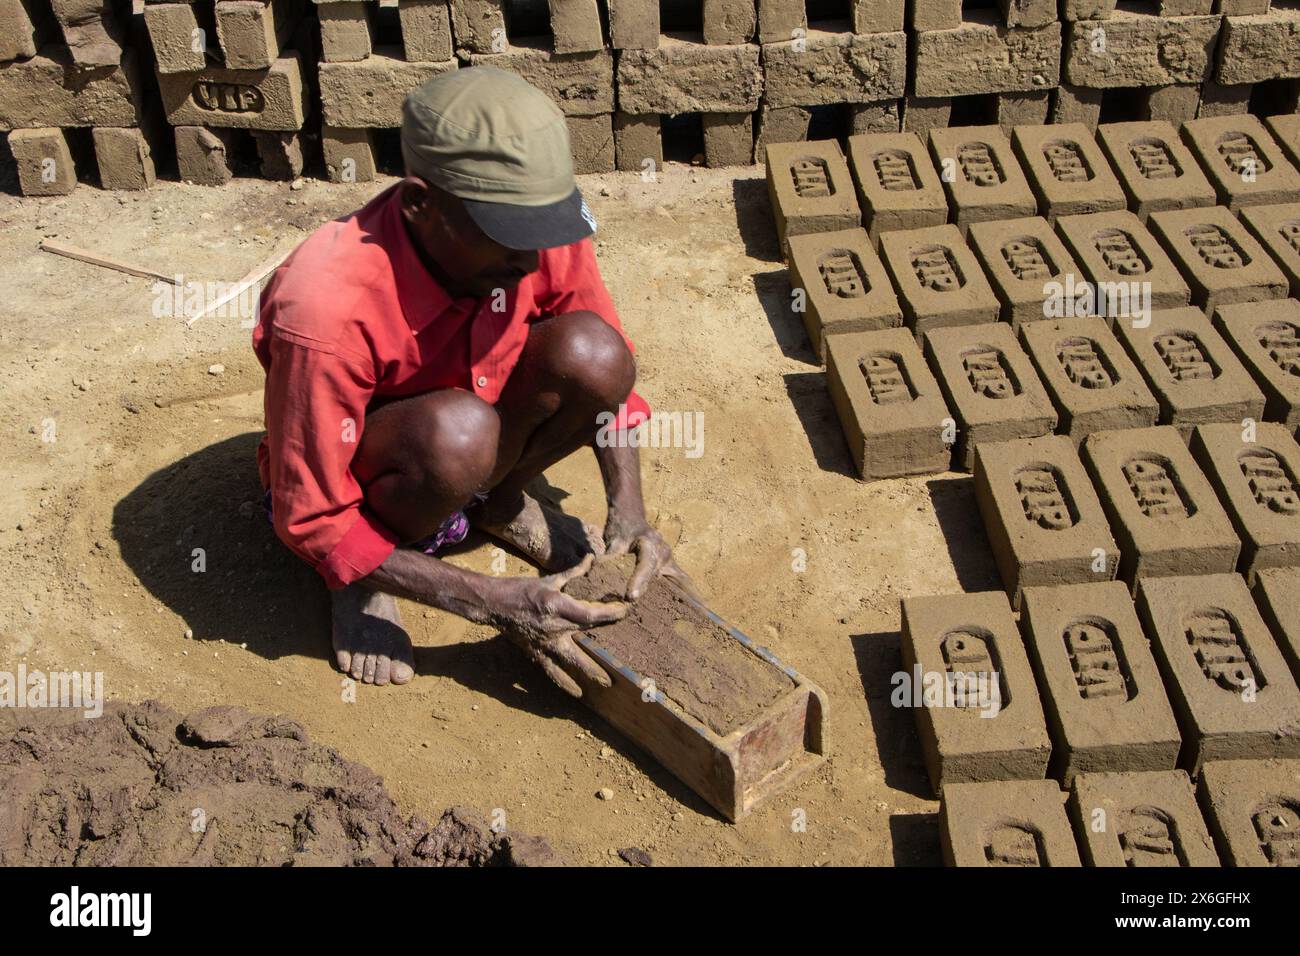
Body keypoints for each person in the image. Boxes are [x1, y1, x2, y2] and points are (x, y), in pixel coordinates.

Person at [252, 66, 688, 694]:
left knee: (596, 353)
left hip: (479, 429)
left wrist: (630, 509)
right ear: (419, 204)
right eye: (509, 236)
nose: (532, 259)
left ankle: (496, 500)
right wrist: (490, 598)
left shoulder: (531, 231)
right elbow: (312, 514)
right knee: (457, 432)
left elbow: (606, 379)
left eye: (543, 231)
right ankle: (361, 577)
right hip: (386, 469)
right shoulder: (325, 308)